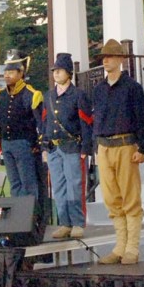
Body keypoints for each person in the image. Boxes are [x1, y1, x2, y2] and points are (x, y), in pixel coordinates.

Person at [90, 39, 144, 265]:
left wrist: (142, 148)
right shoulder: (99, 89)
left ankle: (132, 247)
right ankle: (119, 246)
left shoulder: (132, 87)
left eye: (110, 57)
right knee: (111, 199)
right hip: (104, 146)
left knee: (130, 198)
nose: (105, 61)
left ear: (121, 59)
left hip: (126, 145)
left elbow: (142, 118)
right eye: (103, 57)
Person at [40, 52, 93, 240]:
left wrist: (86, 148)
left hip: (72, 146)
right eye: (54, 70)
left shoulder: (78, 95)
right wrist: (45, 146)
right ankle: (65, 222)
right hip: (54, 148)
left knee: (75, 186)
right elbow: (45, 121)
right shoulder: (49, 95)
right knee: (59, 187)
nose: (56, 74)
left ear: (69, 73)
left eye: (59, 70)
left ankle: (77, 222)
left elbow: (86, 123)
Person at [0, 50, 42, 198]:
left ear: (21, 73)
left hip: (24, 143)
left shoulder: (32, 94)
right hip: (7, 143)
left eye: (11, 71)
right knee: (14, 183)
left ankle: (31, 218)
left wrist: (35, 144)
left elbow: (39, 123)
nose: (7, 75)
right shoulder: (1, 94)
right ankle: (18, 216)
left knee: (28, 183)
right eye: (5, 71)